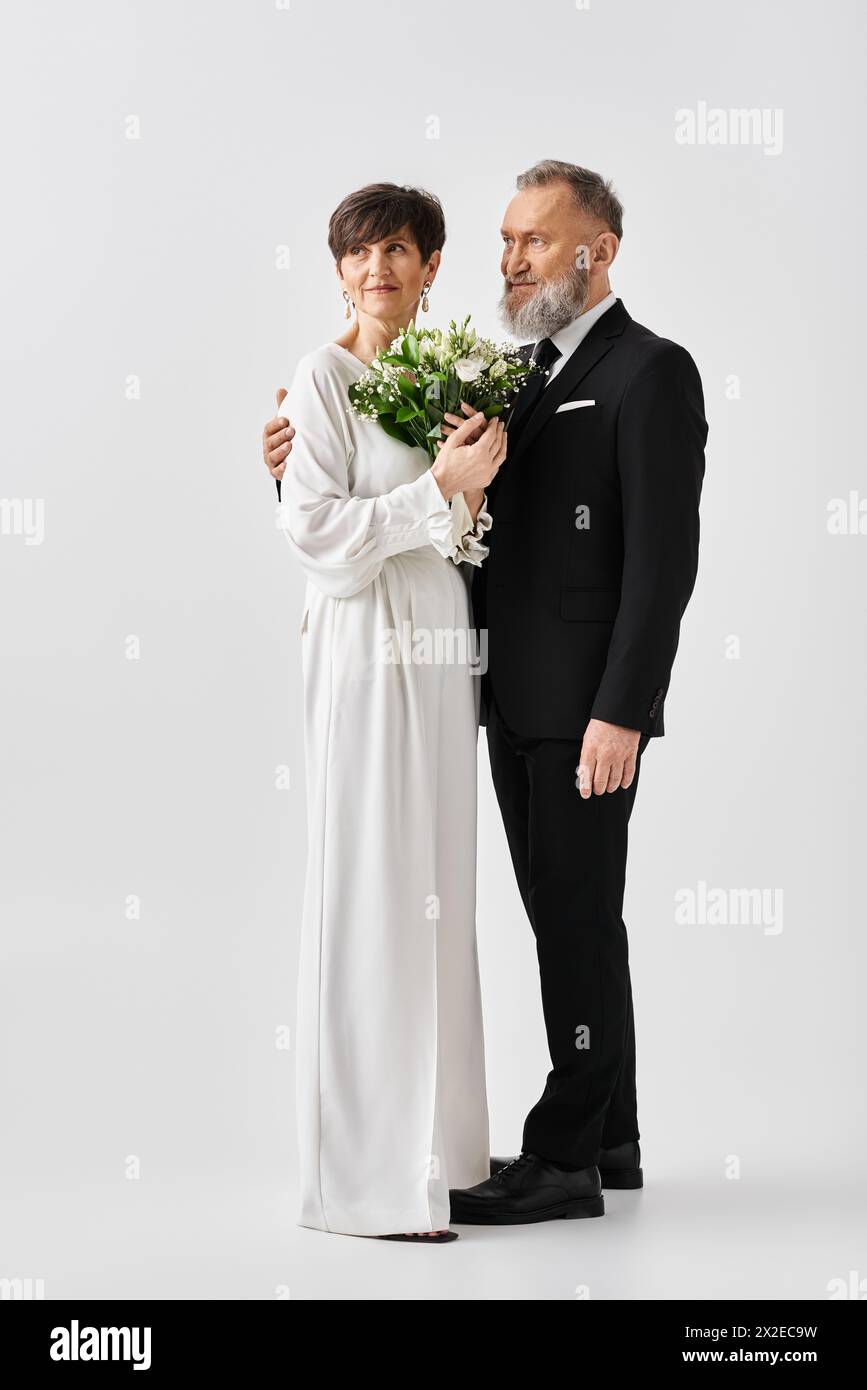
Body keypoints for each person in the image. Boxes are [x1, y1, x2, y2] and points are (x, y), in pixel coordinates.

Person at [265, 160, 708, 1227]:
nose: (514, 260)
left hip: (583, 710)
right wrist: (290, 468)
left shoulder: (653, 372)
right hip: (491, 695)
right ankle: (614, 1137)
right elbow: (444, 513)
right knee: (569, 916)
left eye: (537, 242)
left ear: (595, 250)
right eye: (507, 241)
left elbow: (661, 562)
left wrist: (625, 709)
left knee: (578, 919)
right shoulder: (507, 376)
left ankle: (563, 1154)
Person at [274, 183, 507, 1241]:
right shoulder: (321, 379)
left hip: (437, 648)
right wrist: (437, 492)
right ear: (339, 270)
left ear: (431, 267)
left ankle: (442, 1156)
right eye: (361, 253)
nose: (380, 269)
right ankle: (362, 1183)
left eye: (400, 251)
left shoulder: (441, 374)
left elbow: (463, 535)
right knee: (370, 886)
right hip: (365, 654)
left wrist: (470, 489)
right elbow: (316, 533)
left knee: (436, 887)